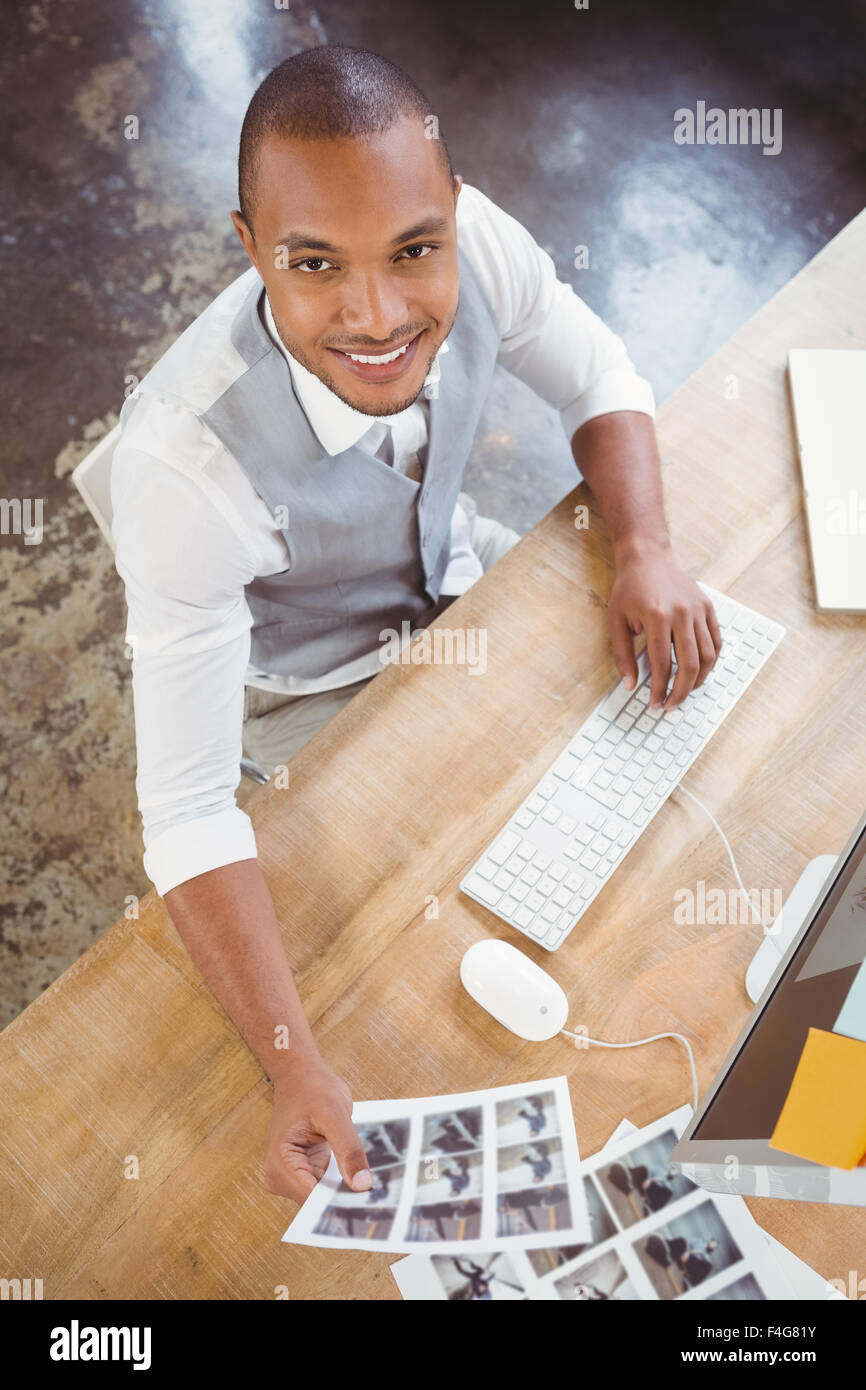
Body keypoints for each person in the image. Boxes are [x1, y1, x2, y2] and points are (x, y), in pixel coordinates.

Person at [111, 45, 722, 1204]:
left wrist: (643, 547)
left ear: (450, 213)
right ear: (249, 252)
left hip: (453, 575)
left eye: (412, 250)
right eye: (313, 265)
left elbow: (598, 372)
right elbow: (186, 815)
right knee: (404, 967)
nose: (378, 314)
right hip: (308, 684)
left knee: (652, 830)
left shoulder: (477, 240)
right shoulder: (179, 471)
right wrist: (291, 1063)